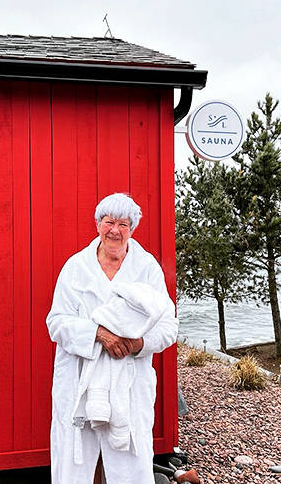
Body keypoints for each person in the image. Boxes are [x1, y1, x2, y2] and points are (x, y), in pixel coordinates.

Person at [46, 193, 178, 484]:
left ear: (132, 228)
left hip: (128, 383)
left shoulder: (146, 269)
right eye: (109, 222)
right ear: (97, 225)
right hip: (79, 380)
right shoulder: (76, 268)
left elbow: (168, 326)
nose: (115, 230)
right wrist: (99, 334)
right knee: (76, 464)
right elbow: (55, 323)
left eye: (123, 224)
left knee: (129, 462)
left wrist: (137, 344)